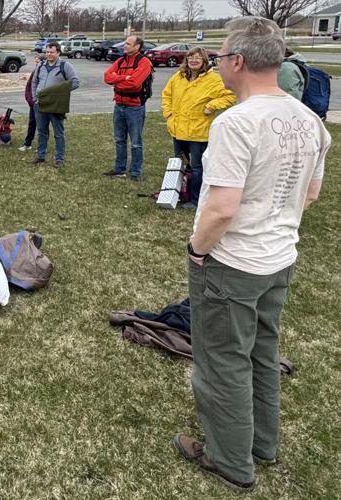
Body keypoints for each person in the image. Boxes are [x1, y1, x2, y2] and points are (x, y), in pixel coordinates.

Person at [175, 16, 330, 491]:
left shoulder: (237, 123)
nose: (219, 64)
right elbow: (311, 194)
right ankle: (262, 442)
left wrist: (197, 250)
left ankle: (229, 460)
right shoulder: (309, 120)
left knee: (223, 361)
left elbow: (221, 208)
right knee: (262, 352)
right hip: (280, 257)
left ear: (237, 61)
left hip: (233, 263)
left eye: (221, 56)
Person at [161, 47, 236, 208]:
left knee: (197, 167)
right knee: (180, 163)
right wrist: (168, 114)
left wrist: (212, 105)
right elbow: (166, 95)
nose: (193, 60)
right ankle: (180, 193)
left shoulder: (214, 79)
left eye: (197, 58)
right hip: (178, 129)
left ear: (204, 61)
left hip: (198, 131)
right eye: (190, 57)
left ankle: (196, 199)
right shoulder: (178, 77)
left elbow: (230, 95)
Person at [102, 36, 153, 180]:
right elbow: (106, 77)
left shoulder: (144, 62)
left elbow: (135, 84)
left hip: (135, 107)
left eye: (128, 43)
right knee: (119, 139)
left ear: (137, 47)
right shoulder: (120, 61)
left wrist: (117, 79)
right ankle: (120, 169)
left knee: (136, 142)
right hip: (119, 105)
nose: (124, 45)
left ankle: (135, 172)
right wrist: (124, 78)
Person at [31, 42, 80, 168]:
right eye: (47, 52)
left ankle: (59, 158)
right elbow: (34, 82)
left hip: (56, 105)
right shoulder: (41, 65)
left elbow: (75, 82)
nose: (48, 54)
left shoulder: (65, 66)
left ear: (58, 52)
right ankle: (40, 155)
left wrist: (59, 93)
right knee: (42, 131)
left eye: (51, 52)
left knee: (58, 133)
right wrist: (34, 97)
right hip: (40, 104)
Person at [18, 55, 42, 152]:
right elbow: (29, 87)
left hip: (43, 104)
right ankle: (27, 144)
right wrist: (30, 100)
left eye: (38, 62)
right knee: (32, 123)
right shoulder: (34, 72)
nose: (36, 64)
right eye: (35, 62)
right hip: (34, 104)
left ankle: (41, 145)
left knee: (42, 125)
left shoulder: (45, 73)